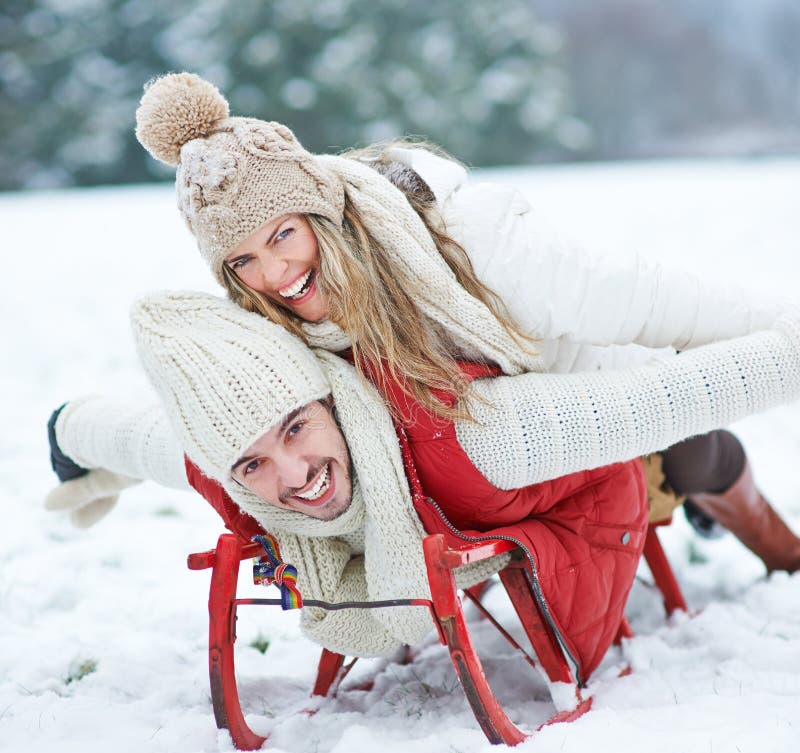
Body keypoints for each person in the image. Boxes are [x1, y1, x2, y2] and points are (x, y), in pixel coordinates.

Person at [126, 72, 800, 571]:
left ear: (320, 213)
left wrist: (784, 329)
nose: (273, 275)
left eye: (281, 235)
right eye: (242, 261)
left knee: (697, 455)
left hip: (597, 408)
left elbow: (654, 302)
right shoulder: (276, 325)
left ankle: (773, 542)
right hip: (484, 472)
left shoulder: (474, 244)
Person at [47, 289, 800, 677]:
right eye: (251, 465)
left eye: (296, 431)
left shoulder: (471, 437)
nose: (293, 475)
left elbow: (662, 398)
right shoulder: (235, 469)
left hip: (585, 455)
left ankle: (783, 549)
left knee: (699, 456)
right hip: (499, 487)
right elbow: (132, 435)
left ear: (328, 401)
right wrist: (65, 433)